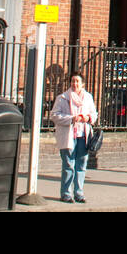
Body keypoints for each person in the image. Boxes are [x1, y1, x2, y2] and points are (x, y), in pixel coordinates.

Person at [51, 72, 98, 203]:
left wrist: (88, 118)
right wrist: (72, 119)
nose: (75, 84)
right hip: (69, 135)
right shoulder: (62, 98)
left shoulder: (88, 97)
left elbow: (93, 114)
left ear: (82, 84)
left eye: (77, 81)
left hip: (83, 135)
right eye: (73, 81)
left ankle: (79, 193)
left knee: (81, 165)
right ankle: (66, 194)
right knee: (68, 165)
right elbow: (54, 115)